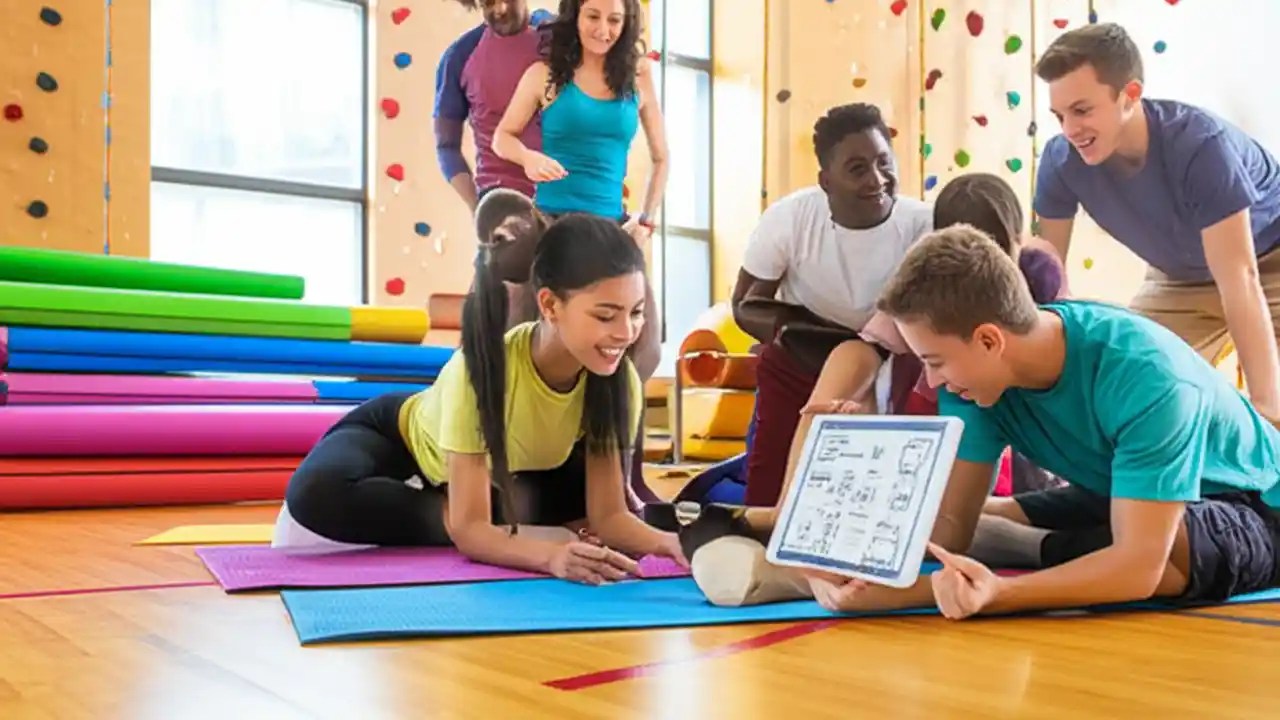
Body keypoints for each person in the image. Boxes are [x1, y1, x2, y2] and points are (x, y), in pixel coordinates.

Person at [693, 224, 1280, 616]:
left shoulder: (1146, 377)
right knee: (966, 517)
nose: (930, 382)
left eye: (934, 362)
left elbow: (1139, 570)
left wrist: (983, 594)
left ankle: (1027, 548)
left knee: (1161, 553)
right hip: (1119, 490)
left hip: (1253, 506)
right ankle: (1019, 539)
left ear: (990, 338)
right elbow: (947, 532)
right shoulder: (975, 382)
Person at [271, 213, 687, 583]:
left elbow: (610, 516)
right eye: (605, 315)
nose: (626, 332)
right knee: (315, 494)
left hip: (506, 478)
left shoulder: (619, 380)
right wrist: (549, 556)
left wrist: (672, 544)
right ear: (550, 305)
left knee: (558, 504)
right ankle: (462, 512)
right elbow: (471, 531)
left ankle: (496, 517)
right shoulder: (480, 371)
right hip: (400, 438)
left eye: (636, 313)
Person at [1033, 22, 1280, 422]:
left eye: (1082, 110)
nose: (1070, 129)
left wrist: (1268, 406)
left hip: (1266, 264)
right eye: (1059, 115)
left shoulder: (1201, 146)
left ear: (1130, 95)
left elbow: (1241, 278)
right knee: (1123, 386)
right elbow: (1047, 281)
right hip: (1178, 278)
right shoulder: (1061, 162)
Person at [729, 102, 933, 509]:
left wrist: (865, 354)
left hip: (895, 361)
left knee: (878, 496)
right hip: (799, 362)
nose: (877, 179)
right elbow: (745, 305)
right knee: (770, 497)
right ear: (826, 180)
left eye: (884, 163)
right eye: (857, 168)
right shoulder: (790, 219)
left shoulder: (922, 225)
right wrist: (811, 336)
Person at [492, 0, 668, 246]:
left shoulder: (639, 77)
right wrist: (527, 158)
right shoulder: (543, 75)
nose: (603, 30)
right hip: (550, 225)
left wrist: (646, 222)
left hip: (611, 231)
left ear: (626, 24)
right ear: (575, 16)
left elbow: (661, 158)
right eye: (593, 17)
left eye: (614, 20)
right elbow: (502, 138)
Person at [433, 0, 555, 212]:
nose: (500, 9)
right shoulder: (459, 57)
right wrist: (476, 206)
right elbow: (446, 146)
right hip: (500, 200)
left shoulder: (558, 37)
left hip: (563, 196)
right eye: (489, 3)